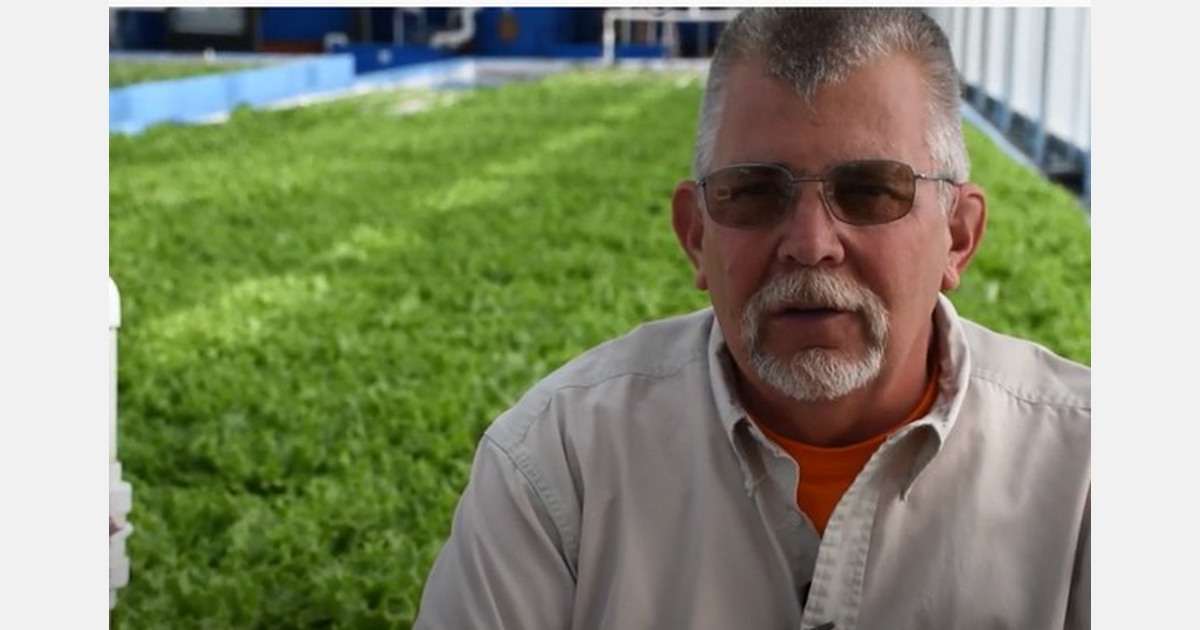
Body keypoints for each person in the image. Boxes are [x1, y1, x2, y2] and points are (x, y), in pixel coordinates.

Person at [414, 8, 1090, 630]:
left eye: (871, 191)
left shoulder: (1088, 476)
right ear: (694, 236)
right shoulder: (558, 468)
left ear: (958, 236)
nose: (811, 242)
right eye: (755, 192)